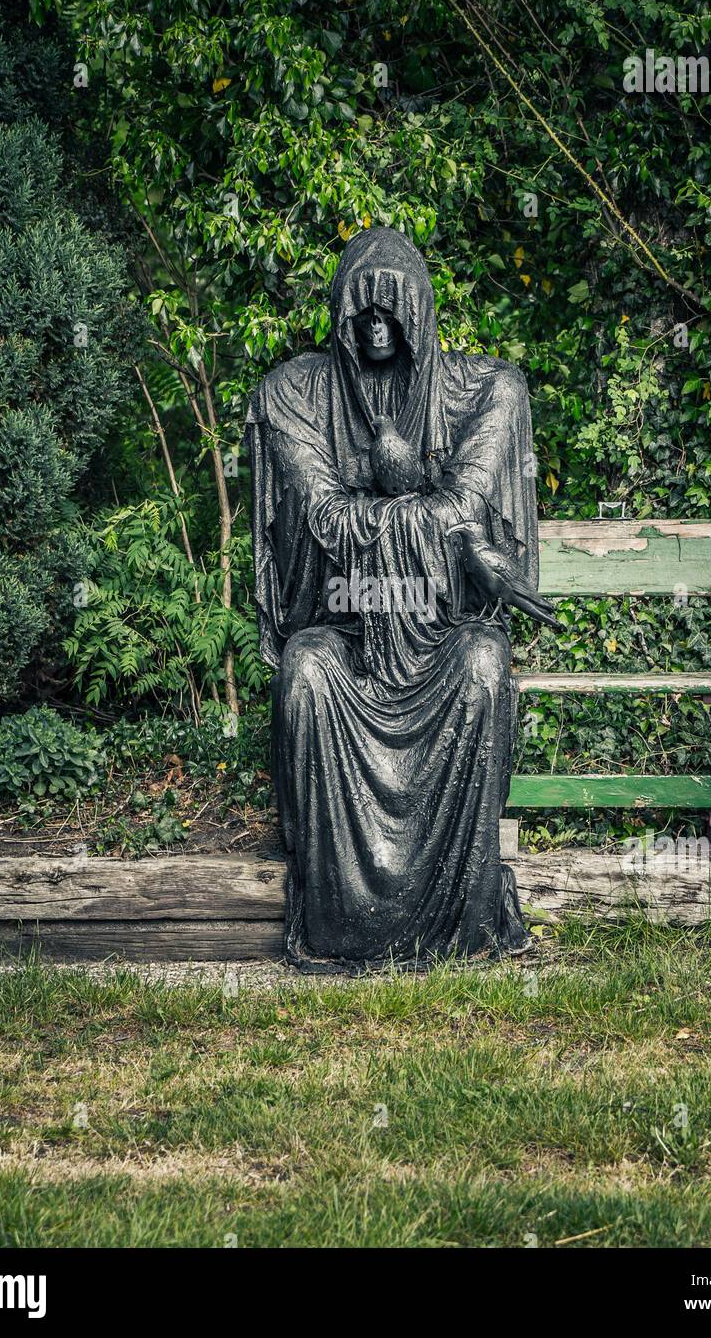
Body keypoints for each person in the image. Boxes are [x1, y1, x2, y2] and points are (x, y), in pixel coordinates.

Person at [249, 226, 544, 970]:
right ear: (342, 321)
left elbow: (467, 501)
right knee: (307, 670)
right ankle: (341, 927)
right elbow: (324, 519)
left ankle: (459, 920)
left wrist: (436, 516)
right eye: (362, 315)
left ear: (420, 317)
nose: (377, 328)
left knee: (482, 663)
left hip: (441, 636)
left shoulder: (485, 391)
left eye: (393, 313)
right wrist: (446, 521)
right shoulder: (295, 394)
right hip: (345, 630)